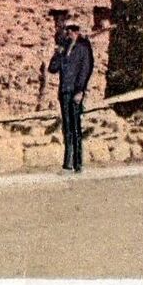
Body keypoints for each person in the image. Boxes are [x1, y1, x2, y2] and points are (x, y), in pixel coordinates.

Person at [47, 18, 94, 173]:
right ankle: (67, 164)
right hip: (64, 91)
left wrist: (80, 91)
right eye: (67, 30)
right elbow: (52, 69)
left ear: (77, 31)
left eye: (72, 30)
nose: (69, 33)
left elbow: (85, 70)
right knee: (67, 127)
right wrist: (57, 54)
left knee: (75, 128)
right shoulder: (64, 48)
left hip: (75, 92)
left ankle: (78, 163)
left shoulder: (83, 48)